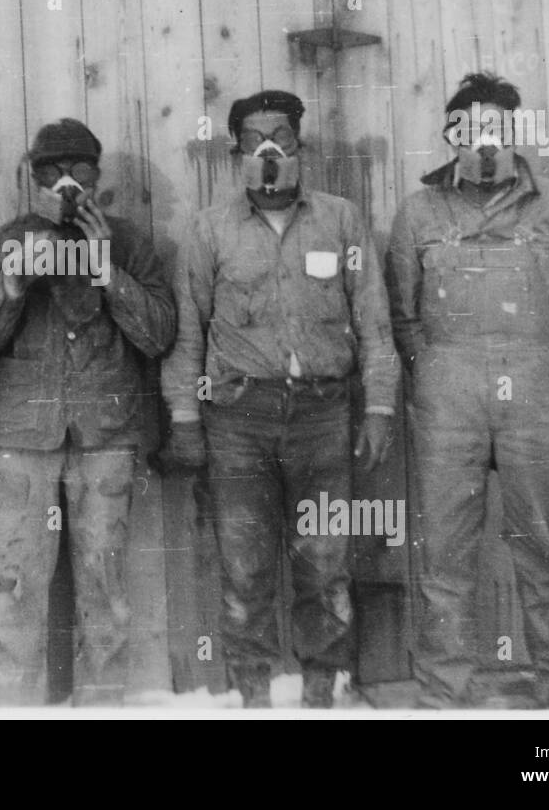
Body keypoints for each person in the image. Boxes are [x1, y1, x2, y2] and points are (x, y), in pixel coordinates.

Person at [160, 90, 399, 708]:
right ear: (237, 152)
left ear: (300, 147)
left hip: (323, 418)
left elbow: (374, 325)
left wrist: (378, 409)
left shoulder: (342, 221)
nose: (270, 152)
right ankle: (256, 697)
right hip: (238, 422)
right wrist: (186, 420)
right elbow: (187, 336)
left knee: (325, 564)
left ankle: (322, 692)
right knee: (245, 567)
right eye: (255, 141)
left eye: (284, 140)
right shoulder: (209, 231)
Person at [386, 71, 549, 708]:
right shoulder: (419, 212)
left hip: (535, 389)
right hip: (448, 393)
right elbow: (402, 310)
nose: (484, 143)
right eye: (469, 130)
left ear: (514, 135)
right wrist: (433, 371)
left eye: (497, 130)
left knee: (545, 549)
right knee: (445, 555)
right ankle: (441, 693)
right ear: (451, 138)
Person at [0, 118, 176, 706]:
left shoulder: (127, 242)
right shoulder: (9, 241)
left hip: (105, 437)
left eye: (78, 171)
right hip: (22, 440)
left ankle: (102, 707)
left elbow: (159, 335)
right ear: (32, 181)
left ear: (97, 178)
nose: (65, 186)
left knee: (104, 594)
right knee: (13, 591)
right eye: (49, 174)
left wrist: (107, 270)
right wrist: (12, 284)